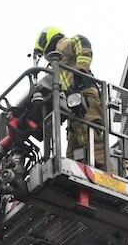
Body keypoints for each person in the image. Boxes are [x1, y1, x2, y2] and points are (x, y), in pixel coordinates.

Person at [33, 25, 104, 166]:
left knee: (92, 141)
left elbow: (81, 42)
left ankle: (106, 173)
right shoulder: (56, 65)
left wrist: (81, 71)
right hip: (74, 103)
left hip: (85, 94)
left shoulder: (61, 45)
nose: (46, 58)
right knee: (74, 148)